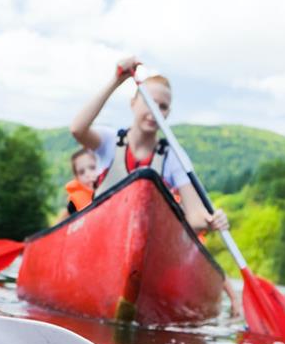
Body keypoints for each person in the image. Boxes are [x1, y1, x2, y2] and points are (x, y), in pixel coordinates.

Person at [68, 55, 228, 232]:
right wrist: (117, 80)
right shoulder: (109, 141)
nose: (155, 111)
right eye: (149, 102)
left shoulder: (173, 156)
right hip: (102, 236)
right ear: (133, 103)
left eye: (163, 106)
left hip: (146, 240)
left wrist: (211, 220)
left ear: (168, 113)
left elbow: (195, 215)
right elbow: (78, 129)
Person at [54, 148, 101, 224]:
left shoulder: (108, 185)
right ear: (77, 177)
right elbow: (60, 223)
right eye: (82, 172)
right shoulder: (74, 202)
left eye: (92, 168)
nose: (88, 174)